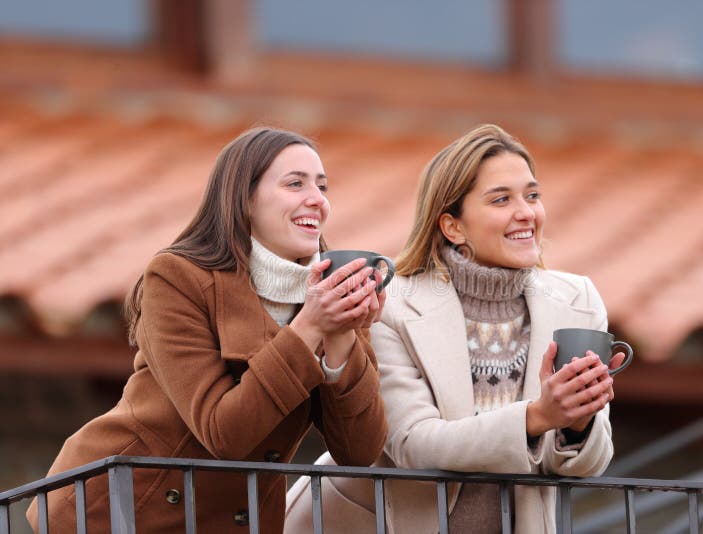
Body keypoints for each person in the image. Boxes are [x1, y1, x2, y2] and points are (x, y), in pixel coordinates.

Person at [27, 127, 388, 533]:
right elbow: (224, 433)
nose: (317, 200)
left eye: (322, 187)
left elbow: (360, 452)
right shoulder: (177, 277)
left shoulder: (329, 296)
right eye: (295, 184)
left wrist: (339, 336)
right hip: (121, 511)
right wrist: (310, 326)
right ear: (244, 199)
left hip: (237, 520)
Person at [285, 124, 624, 533]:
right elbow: (413, 444)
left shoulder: (578, 301)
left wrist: (576, 421)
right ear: (453, 227)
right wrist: (537, 417)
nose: (527, 212)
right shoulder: (393, 304)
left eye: (532, 195)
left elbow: (588, 462)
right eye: (501, 199)